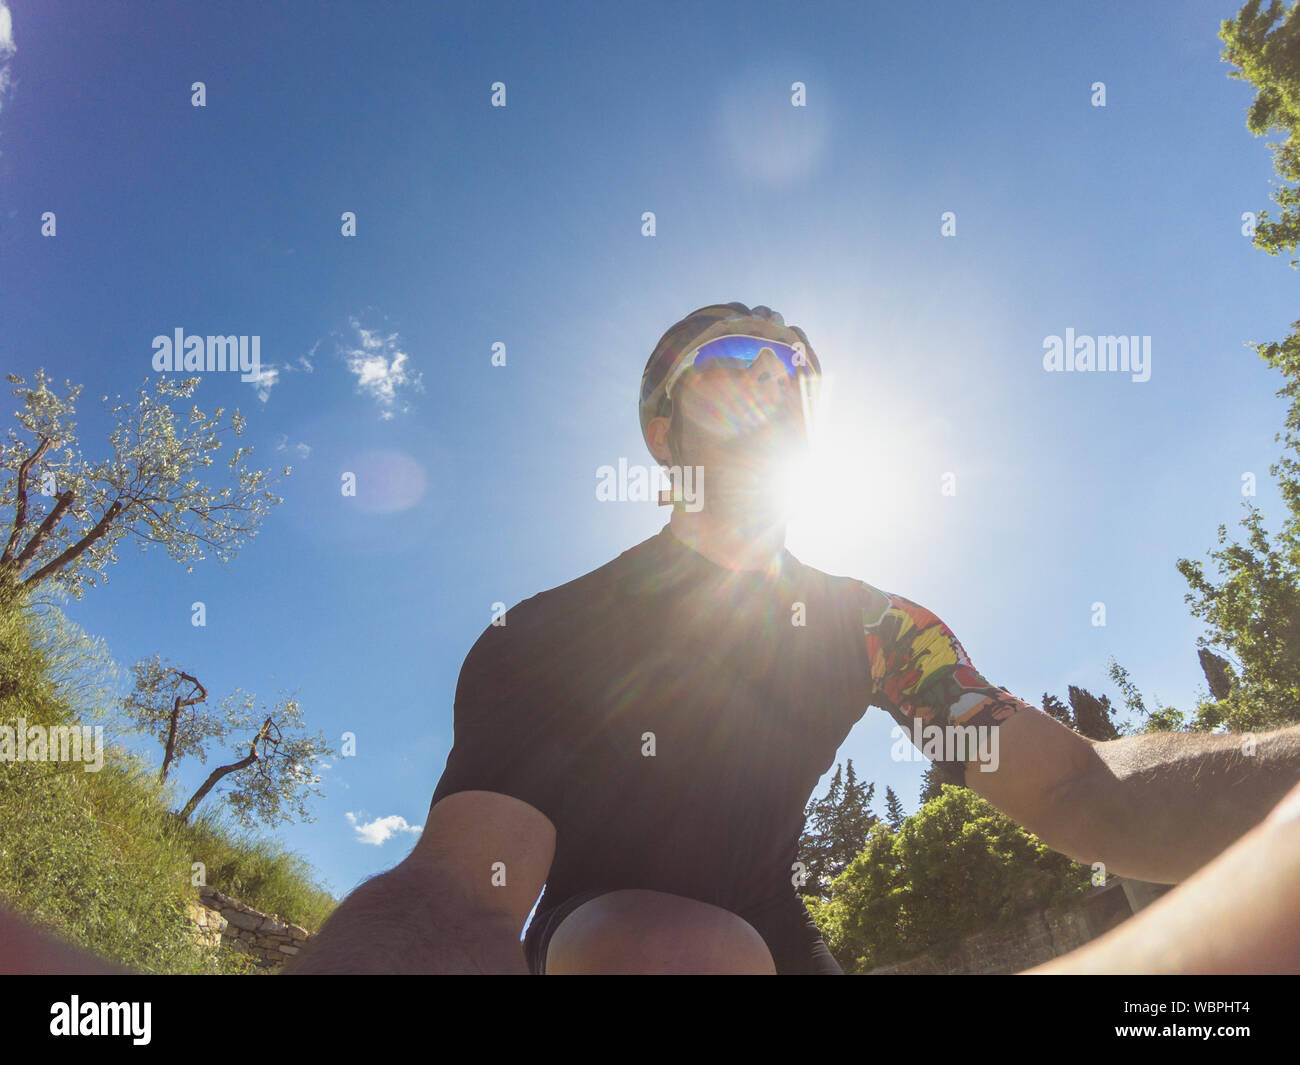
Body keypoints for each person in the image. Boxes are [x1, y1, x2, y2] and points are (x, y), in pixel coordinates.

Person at [281, 301, 1299, 975]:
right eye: (730, 369)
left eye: (793, 378)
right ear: (661, 431)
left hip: (783, 942)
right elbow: (464, 894)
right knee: (656, 941)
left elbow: (1077, 792)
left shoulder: (874, 628)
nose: (769, 392)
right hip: (608, 942)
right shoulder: (544, 636)